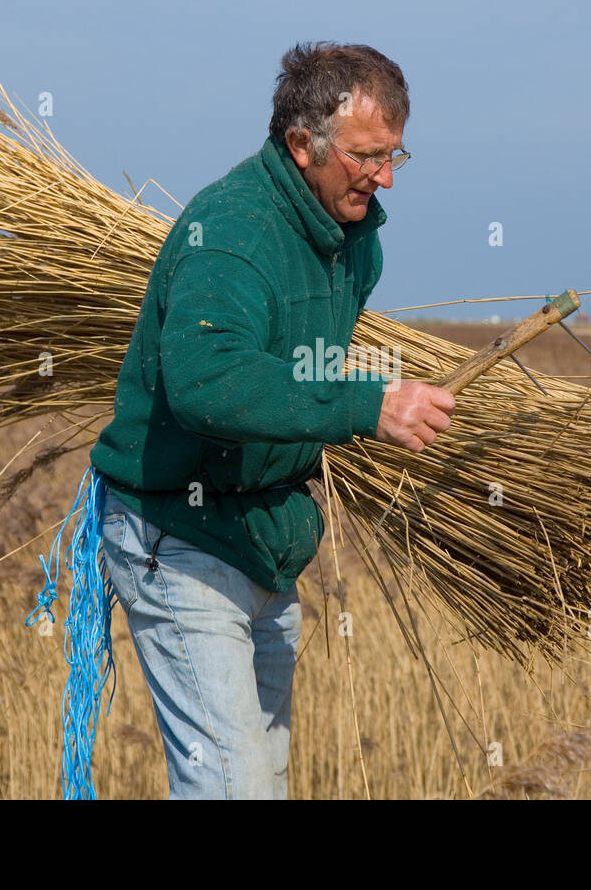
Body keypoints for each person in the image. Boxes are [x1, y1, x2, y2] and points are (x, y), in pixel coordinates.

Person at [89, 42, 455, 799]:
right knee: (235, 790)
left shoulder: (356, 243)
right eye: (364, 157)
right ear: (301, 144)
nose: (383, 178)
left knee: (263, 786)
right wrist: (367, 406)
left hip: (267, 543)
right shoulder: (233, 233)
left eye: (395, 155)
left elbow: (298, 368)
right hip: (181, 538)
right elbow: (208, 382)